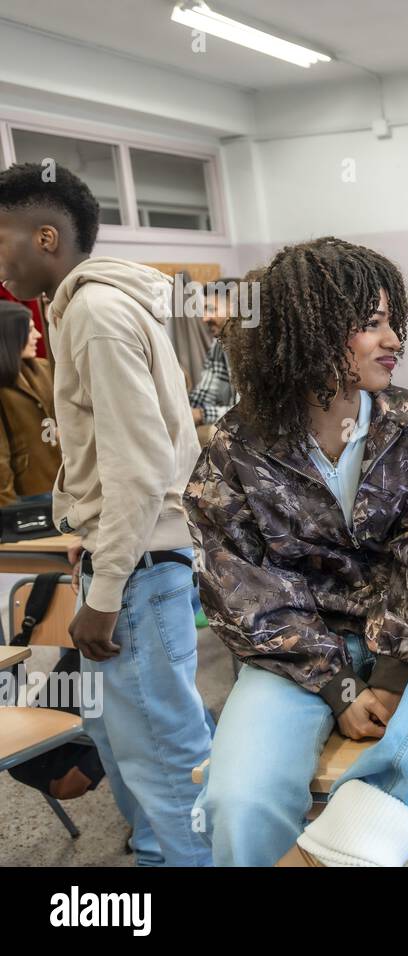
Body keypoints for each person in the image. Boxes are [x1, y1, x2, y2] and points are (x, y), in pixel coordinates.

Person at [189, 238, 408, 867]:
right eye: (370, 324)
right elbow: (242, 588)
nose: (393, 340)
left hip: (407, 639)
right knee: (238, 802)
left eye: (391, 321)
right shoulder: (237, 445)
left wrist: (388, 673)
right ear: (308, 333)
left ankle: (359, 832)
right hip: (297, 658)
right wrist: (340, 688)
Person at [0, 161, 211, 866]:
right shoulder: (88, 309)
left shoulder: (94, 313)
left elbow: (140, 464)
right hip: (127, 557)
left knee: (164, 752)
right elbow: (117, 452)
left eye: (3, 238)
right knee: (120, 737)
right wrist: (88, 535)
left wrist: (108, 588)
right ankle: (157, 853)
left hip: (141, 571)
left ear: (48, 237)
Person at [0, 301, 60, 505]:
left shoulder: (45, 369)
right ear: (10, 335)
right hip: (26, 492)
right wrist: (7, 508)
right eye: (30, 330)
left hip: (62, 482)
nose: (38, 336)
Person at [188, 276, 240, 444]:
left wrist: (202, 415)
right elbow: (207, 391)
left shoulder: (261, 350)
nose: (204, 318)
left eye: (211, 309)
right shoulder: (219, 345)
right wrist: (182, 409)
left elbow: (249, 412)